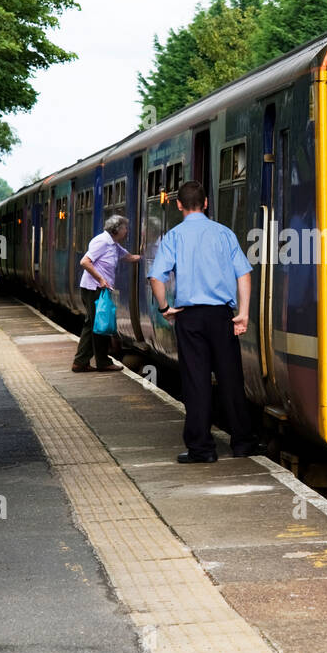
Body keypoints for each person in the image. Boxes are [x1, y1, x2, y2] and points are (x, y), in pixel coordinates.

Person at [148, 180, 255, 463]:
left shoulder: (173, 236)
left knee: (196, 381)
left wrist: (165, 308)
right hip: (222, 316)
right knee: (231, 378)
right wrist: (242, 312)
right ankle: (243, 442)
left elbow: (156, 277)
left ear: (179, 205)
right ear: (206, 203)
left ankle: (202, 449)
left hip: (190, 317)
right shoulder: (224, 234)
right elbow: (243, 273)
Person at [72, 214, 141, 373]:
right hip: (93, 288)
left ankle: (81, 362)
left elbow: (129, 257)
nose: (127, 231)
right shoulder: (102, 241)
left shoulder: (114, 245)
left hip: (99, 289)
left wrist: (146, 257)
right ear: (117, 229)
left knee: (94, 324)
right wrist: (101, 279)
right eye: (125, 228)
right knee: (99, 324)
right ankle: (100, 362)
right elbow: (85, 261)